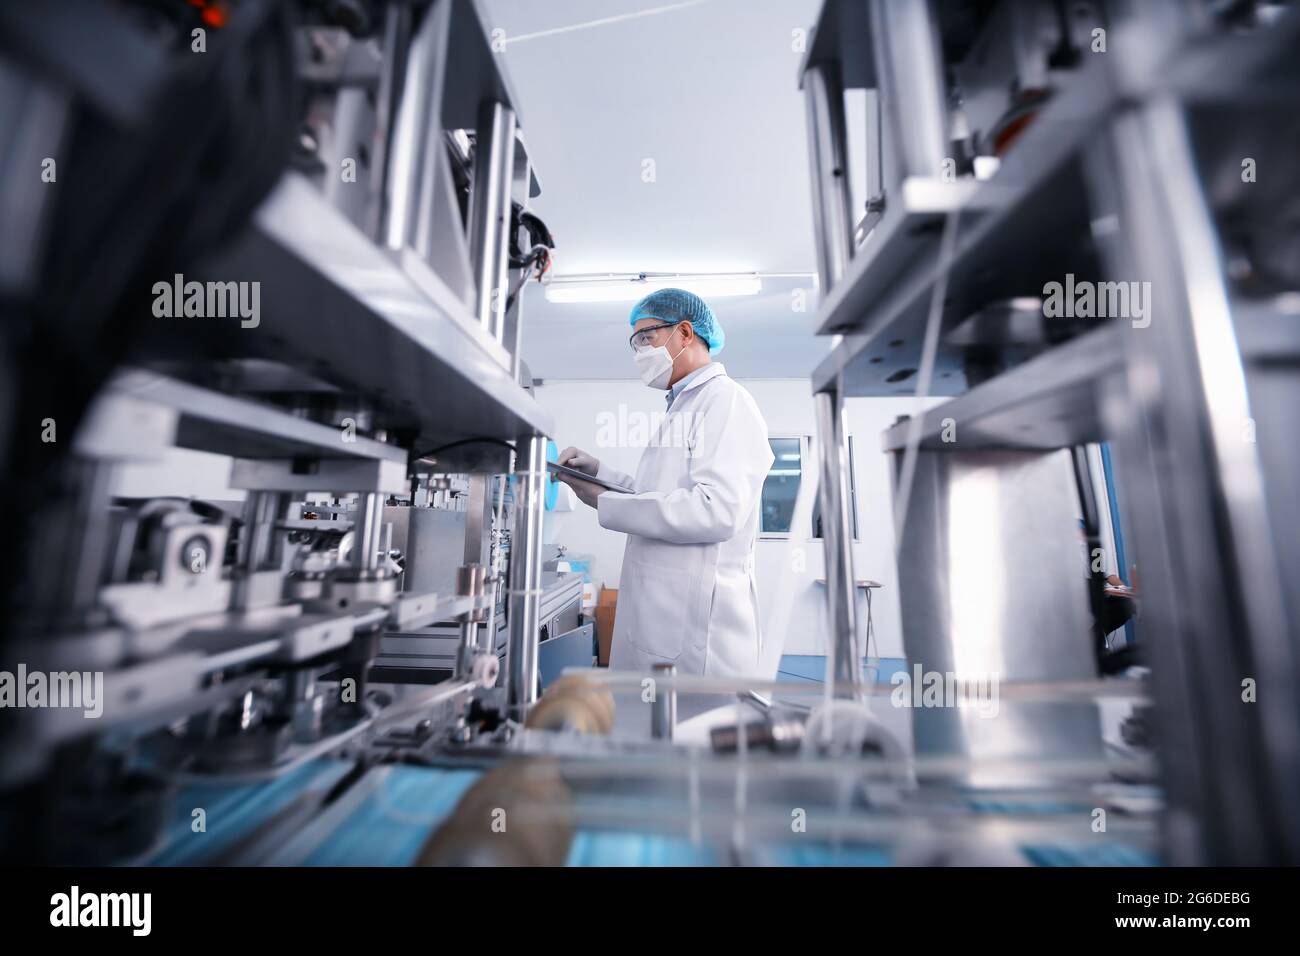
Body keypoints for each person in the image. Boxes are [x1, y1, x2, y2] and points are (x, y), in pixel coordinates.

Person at [556, 288, 774, 679]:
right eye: (635, 343)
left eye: (646, 338)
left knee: (689, 734)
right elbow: (659, 496)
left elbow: (717, 512)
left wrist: (606, 502)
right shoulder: (685, 404)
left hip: (700, 642)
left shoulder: (725, 401)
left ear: (685, 333)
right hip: (664, 623)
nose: (640, 353)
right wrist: (599, 474)